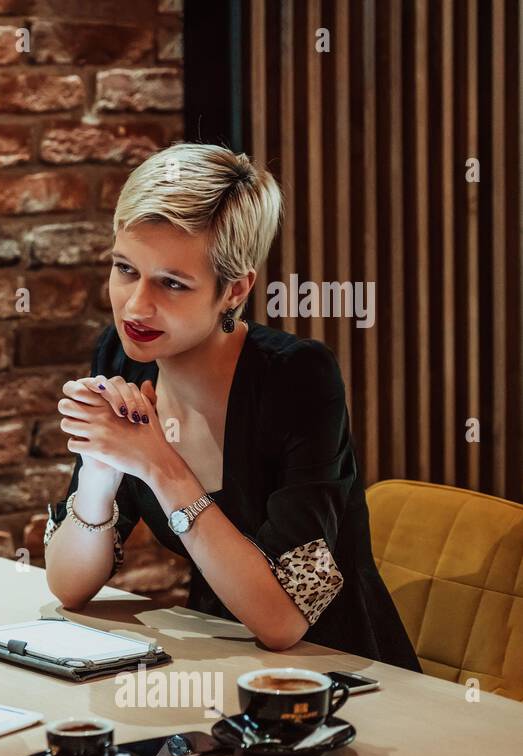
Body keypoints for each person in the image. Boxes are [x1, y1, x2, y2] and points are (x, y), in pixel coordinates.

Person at [43, 143, 419, 671]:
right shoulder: (122, 355)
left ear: (234, 290)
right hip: (212, 660)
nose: (136, 306)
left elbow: (284, 622)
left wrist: (156, 463)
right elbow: (68, 586)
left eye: (172, 283)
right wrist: (100, 473)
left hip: (339, 674)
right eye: (126, 269)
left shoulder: (298, 380)